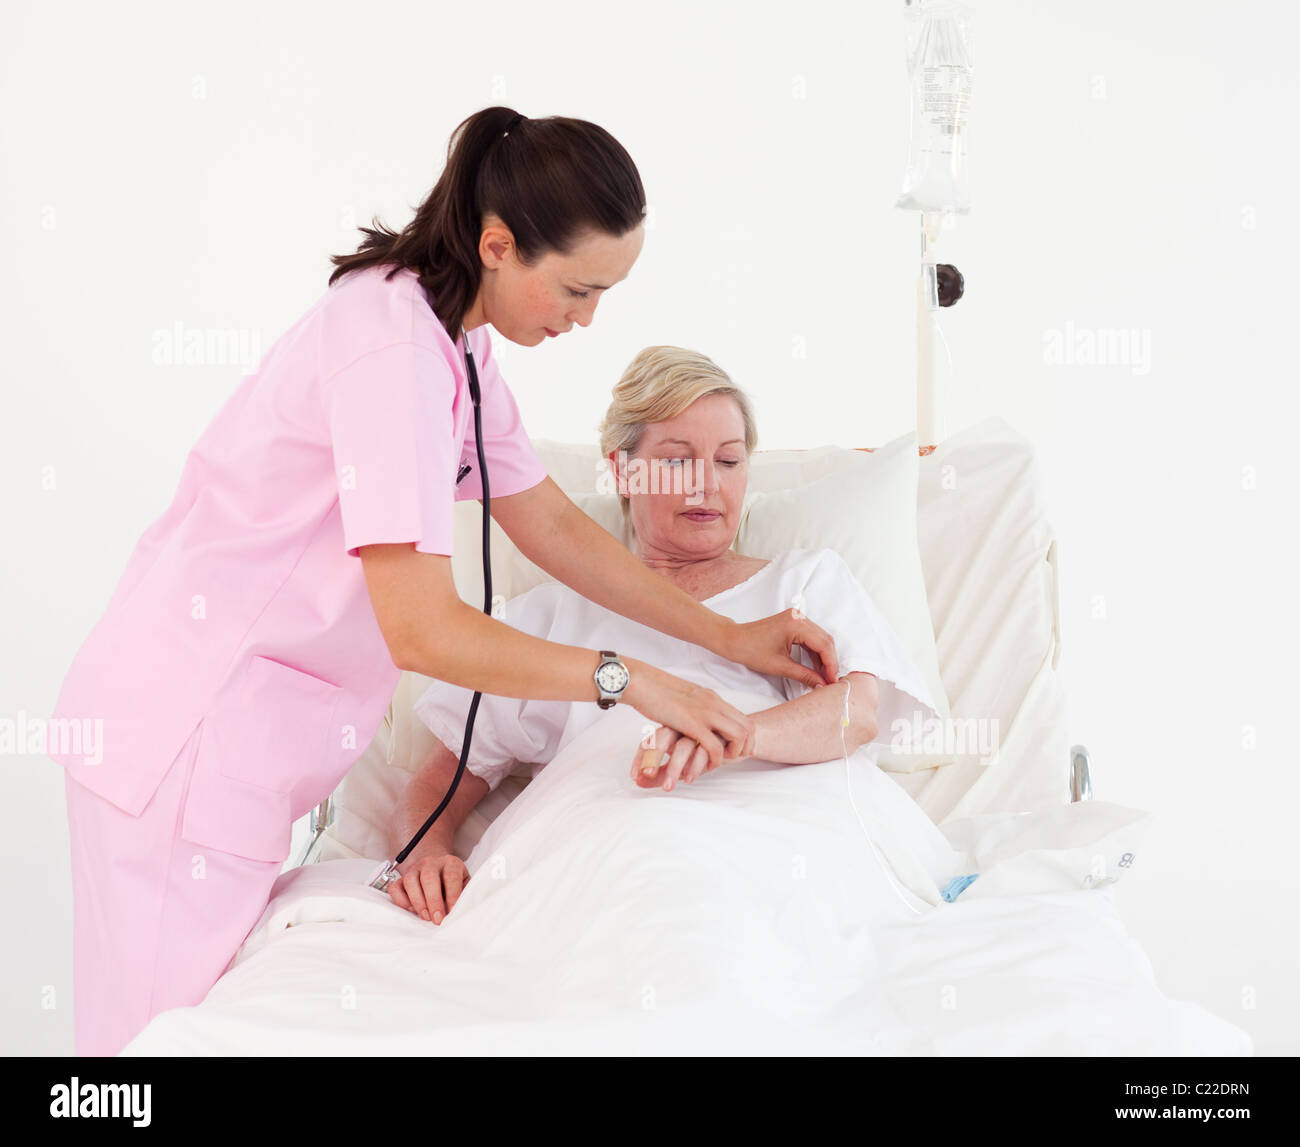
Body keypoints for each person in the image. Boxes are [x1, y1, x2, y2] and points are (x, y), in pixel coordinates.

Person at [47, 107, 840, 1056]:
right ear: (499, 245)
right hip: (183, 737)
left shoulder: (454, 342)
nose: (587, 320)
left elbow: (545, 522)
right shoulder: (392, 353)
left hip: (229, 755)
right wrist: (632, 676)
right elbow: (424, 629)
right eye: (580, 289)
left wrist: (726, 635)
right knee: (138, 1063)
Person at [384, 345, 941, 926]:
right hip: (612, 831)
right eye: (677, 462)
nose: (708, 486)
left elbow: (860, 713)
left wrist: (734, 735)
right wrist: (424, 853)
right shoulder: (549, 617)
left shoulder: (803, 583)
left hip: (785, 824)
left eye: (728, 462)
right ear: (622, 470)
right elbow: (444, 775)